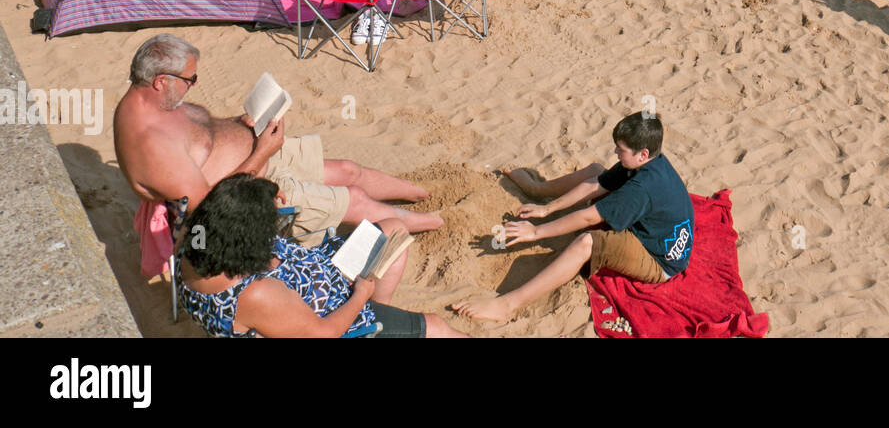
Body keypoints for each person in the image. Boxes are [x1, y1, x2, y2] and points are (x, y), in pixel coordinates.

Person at [112, 35, 445, 244]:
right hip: (249, 191)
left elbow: (197, 137)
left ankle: (423, 192)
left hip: (258, 155)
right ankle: (437, 221)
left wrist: (235, 124)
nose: (193, 85)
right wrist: (261, 154)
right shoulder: (150, 145)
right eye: (190, 79)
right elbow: (212, 205)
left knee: (349, 170)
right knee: (354, 198)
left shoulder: (156, 100)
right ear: (160, 81)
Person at [453, 112, 693, 323]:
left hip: (659, 260)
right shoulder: (646, 161)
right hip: (658, 231)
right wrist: (547, 208)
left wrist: (536, 232)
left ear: (643, 153)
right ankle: (539, 189)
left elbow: (588, 218)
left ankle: (506, 306)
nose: (615, 152)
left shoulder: (642, 188)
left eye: (621, 149)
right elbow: (595, 184)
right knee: (596, 171)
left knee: (586, 243)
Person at [178, 174, 464, 339]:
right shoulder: (255, 295)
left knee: (394, 230)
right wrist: (360, 296)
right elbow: (323, 335)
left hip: (321, 273)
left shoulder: (197, 240)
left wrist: (259, 192)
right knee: (438, 328)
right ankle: (373, 320)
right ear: (250, 238)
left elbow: (229, 199)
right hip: (333, 312)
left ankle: (383, 312)